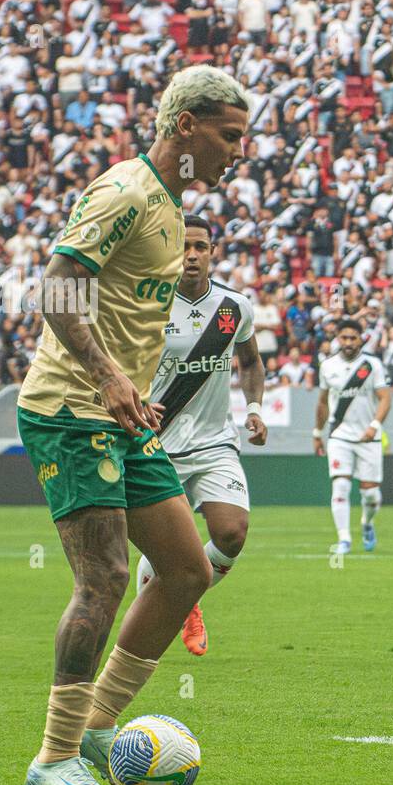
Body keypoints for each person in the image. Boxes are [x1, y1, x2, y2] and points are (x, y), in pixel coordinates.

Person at [14, 65, 250, 785]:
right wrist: (110, 374)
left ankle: (95, 727)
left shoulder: (174, 209)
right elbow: (56, 285)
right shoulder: (124, 191)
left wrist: (128, 389)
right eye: (228, 135)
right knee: (106, 576)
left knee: (187, 568)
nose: (237, 152)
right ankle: (52, 759)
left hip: (124, 418)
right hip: (71, 409)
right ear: (186, 126)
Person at [135, 216, 268, 657]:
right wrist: (135, 402)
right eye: (184, 246)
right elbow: (123, 364)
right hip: (157, 444)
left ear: (213, 252)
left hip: (213, 441)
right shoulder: (149, 306)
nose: (192, 255)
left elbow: (250, 362)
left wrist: (254, 409)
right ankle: (169, 616)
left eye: (200, 247)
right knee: (167, 546)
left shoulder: (234, 308)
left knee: (232, 533)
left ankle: (187, 600)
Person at [314, 318, 391, 554]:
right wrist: (318, 432)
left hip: (369, 437)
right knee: (340, 487)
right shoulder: (327, 366)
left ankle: (367, 523)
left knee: (370, 494)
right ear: (337, 338)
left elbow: (385, 398)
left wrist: (375, 425)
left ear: (361, 339)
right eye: (344, 337)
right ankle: (344, 539)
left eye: (353, 338)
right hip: (339, 435)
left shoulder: (372, 365)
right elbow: (322, 402)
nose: (348, 342)